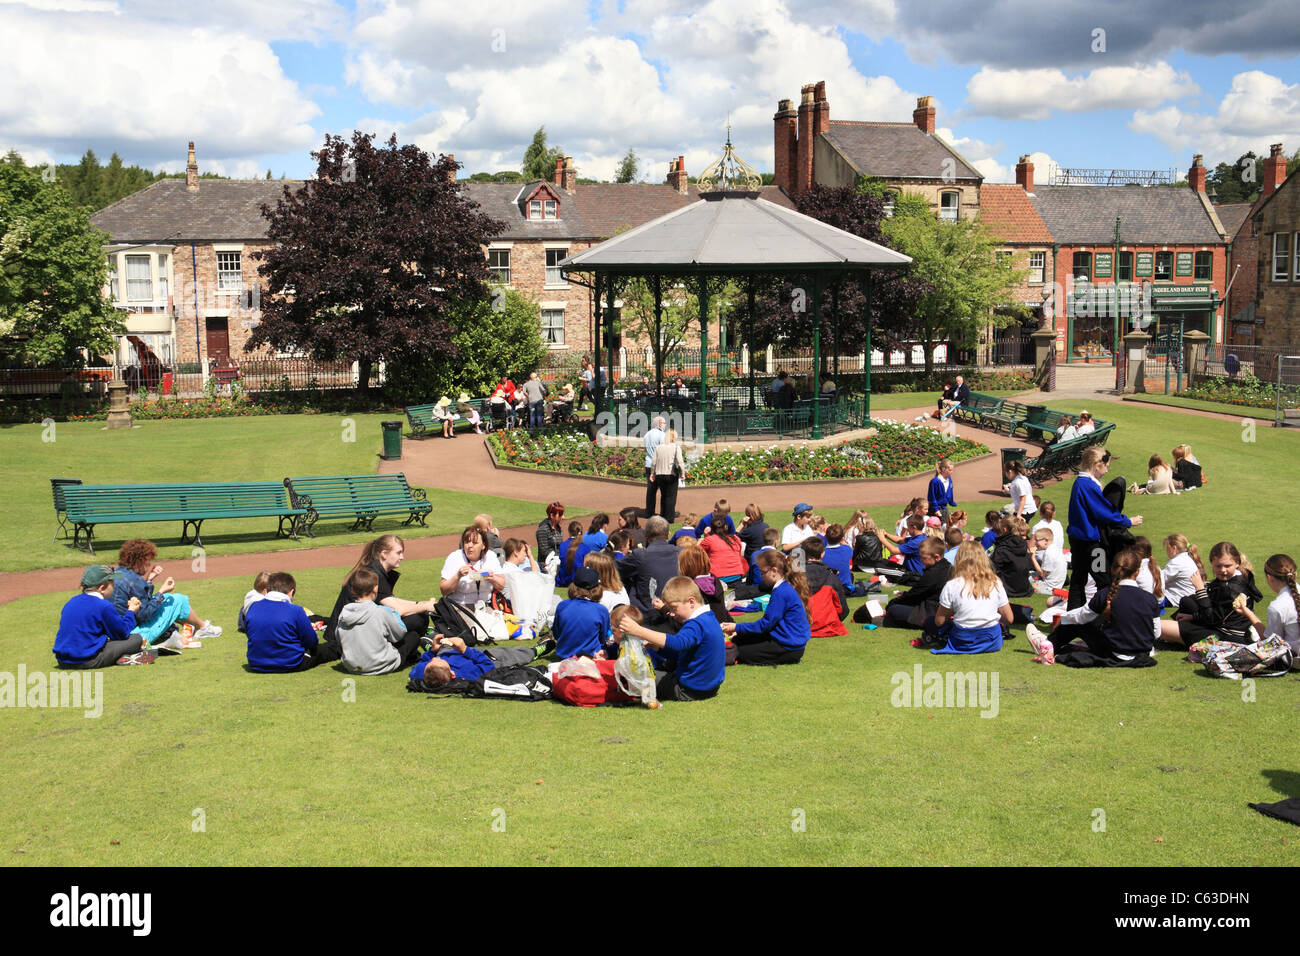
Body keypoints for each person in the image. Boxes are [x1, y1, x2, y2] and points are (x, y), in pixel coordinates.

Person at [1028, 550, 1161, 667]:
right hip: (1142, 653)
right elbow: (1156, 633)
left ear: (1113, 569)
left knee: (1077, 622)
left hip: (1114, 652)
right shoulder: (1150, 599)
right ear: (1137, 571)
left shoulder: (1106, 594)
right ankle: (1051, 645)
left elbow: (1081, 617)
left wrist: (1063, 619)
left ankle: (1046, 644)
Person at [614, 577, 725, 702]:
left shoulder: (696, 624)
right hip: (709, 687)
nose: (671, 614)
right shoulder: (709, 618)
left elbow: (678, 644)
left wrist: (638, 631)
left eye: (673, 608)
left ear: (691, 602)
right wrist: (657, 647)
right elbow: (686, 651)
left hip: (688, 689)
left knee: (636, 678)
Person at [1066, 446, 1142, 610]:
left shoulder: (1080, 483)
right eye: (1106, 466)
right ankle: (1105, 615)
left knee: (1078, 580)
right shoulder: (1087, 485)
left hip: (1078, 540)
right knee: (1105, 580)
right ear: (1097, 464)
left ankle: (1072, 617)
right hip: (1091, 544)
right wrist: (1128, 521)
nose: (1107, 471)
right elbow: (1103, 512)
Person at [112, 538, 221, 650]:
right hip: (133, 635)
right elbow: (144, 615)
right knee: (177, 600)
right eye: (147, 561)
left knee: (168, 599)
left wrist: (149, 580)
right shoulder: (135, 581)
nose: (149, 565)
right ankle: (202, 627)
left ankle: (197, 627)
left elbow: (140, 603)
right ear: (139, 561)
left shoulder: (116, 574)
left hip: (115, 633)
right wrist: (161, 592)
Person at [327, 535, 435, 642]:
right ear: (384, 554)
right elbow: (398, 610)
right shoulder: (374, 574)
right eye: (398, 553)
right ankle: (405, 655)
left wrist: (419, 604)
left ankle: (408, 653)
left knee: (417, 614)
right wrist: (425, 606)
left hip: (351, 629)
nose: (402, 557)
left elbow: (391, 600)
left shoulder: (374, 569)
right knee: (417, 619)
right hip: (348, 635)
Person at [1158, 541, 1262, 647]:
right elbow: (1215, 611)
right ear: (1212, 563)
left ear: (1237, 563)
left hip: (1225, 635)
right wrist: (1192, 617)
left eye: (1227, 566)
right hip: (1220, 626)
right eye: (1218, 566)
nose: (1223, 570)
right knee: (1187, 601)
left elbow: (1211, 618)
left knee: (1157, 626)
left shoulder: (1231, 588)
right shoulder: (1237, 576)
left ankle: (1180, 638)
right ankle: (1178, 637)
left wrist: (1200, 589)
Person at [721, 549, 811, 666]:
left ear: (774, 571)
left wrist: (736, 627)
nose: (761, 576)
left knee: (739, 650)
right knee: (739, 640)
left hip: (788, 646)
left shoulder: (781, 592)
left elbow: (765, 625)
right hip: (788, 642)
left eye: (762, 572)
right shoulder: (783, 587)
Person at [919, 542, 1011, 655]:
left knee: (929, 622)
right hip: (992, 641)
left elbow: (939, 621)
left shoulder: (952, 585)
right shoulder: (995, 581)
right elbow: (1009, 618)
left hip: (963, 640)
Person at [54, 565, 151, 668]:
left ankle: (121, 657)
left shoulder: (71, 601)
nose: (114, 585)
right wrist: (131, 611)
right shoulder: (103, 605)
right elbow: (122, 633)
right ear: (102, 588)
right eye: (112, 583)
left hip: (63, 660)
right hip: (88, 660)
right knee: (136, 639)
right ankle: (124, 657)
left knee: (108, 641)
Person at [246, 572, 342, 672]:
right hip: (290, 663)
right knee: (332, 648)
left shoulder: (253, 607)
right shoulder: (295, 610)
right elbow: (312, 641)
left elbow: (251, 634)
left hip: (256, 663)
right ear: (291, 592)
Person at [336, 566, 425, 675]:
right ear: (375, 588)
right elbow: (398, 634)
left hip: (351, 666)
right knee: (413, 636)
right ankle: (412, 657)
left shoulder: (344, 614)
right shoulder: (381, 612)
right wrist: (395, 616)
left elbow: (339, 638)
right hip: (381, 665)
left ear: (352, 590)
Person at [412, 636, 554, 688]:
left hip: (447, 650)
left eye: (432, 661)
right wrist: (465, 649)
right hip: (479, 657)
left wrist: (434, 651)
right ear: (452, 674)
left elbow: (424, 662)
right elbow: (488, 666)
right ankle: (535, 651)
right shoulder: (468, 674)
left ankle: (431, 643)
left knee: (442, 643)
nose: (435, 659)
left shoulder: (421, 671)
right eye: (439, 661)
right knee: (505, 654)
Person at [621, 516, 685, 618]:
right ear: (668, 534)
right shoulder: (682, 552)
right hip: (678, 613)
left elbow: (613, 569)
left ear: (646, 536)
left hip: (647, 616)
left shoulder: (640, 555)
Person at [1240, 554, 1300, 659]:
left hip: (1294, 659)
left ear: (1269, 577)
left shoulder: (1277, 606)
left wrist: (1249, 614)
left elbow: (1271, 645)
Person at [884, 537, 951, 628]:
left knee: (893, 610)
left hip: (931, 612)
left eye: (924, 558)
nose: (921, 561)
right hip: (941, 610)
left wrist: (892, 603)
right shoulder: (948, 567)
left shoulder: (933, 573)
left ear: (936, 557)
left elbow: (914, 595)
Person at [553, 566, 613, 659]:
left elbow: (557, 633)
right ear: (597, 588)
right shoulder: (601, 610)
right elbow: (603, 637)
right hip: (591, 656)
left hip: (564, 655)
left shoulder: (562, 605)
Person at [440, 527, 505, 606]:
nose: (470, 546)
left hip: (485, 604)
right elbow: (444, 590)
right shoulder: (455, 557)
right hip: (460, 605)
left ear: (483, 545)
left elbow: (501, 585)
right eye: (467, 542)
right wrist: (458, 576)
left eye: (474, 543)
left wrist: (492, 577)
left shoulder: (490, 556)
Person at [675, 542, 733, 625]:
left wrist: (664, 608)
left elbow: (684, 615)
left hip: (703, 628)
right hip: (722, 624)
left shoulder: (691, 587)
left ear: (686, 565)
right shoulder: (715, 580)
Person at [801, 536, 850, 636]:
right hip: (826, 626)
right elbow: (842, 609)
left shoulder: (794, 578)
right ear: (823, 554)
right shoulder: (831, 578)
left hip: (800, 626)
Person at [649, 427, 687, 521]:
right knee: (671, 496)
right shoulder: (676, 447)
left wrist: (652, 473)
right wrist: (682, 474)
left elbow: (654, 462)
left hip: (660, 474)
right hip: (671, 473)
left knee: (663, 495)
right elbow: (680, 462)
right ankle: (669, 517)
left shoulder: (659, 447)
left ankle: (663, 514)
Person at [990, 515, 1033, 598]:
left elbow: (990, 568)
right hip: (1024, 588)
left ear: (1004, 529)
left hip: (1008, 590)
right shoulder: (1023, 544)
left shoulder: (1003, 549)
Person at [1160, 533, 1205, 610]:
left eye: (1167, 548)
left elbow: (1159, 580)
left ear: (1174, 548)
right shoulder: (1187, 557)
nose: (1166, 551)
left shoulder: (1177, 562)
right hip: (1187, 596)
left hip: (1177, 598)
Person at [699, 514, 746, 584]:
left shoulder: (709, 540)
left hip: (718, 578)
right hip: (737, 576)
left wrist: (704, 536)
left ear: (711, 528)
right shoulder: (736, 538)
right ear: (725, 527)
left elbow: (696, 552)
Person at [1029, 528, 1066, 595]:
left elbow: (1042, 574)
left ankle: (1037, 588)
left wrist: (1033, 558)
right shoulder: (1055, 549)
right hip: (1058, 583)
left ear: (1046, 540)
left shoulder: (1049, 553)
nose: (1035, 542)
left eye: (1037, 540)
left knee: (1027, 577)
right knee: (1031, 573)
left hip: (1049, 587)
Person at [556, 519, 586, 588]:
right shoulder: (585, 548)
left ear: (569, 532)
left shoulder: (562, 545)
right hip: (579, 581)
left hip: (563, 580)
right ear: (580, 532)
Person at [536, 501, 566, 567]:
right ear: (552, 515)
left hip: (557, 563)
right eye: (560, 515)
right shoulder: (543, 530)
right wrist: (559, 556)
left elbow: (560, 546)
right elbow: (544, 552)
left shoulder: (558, 528)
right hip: (546, 566)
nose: (563, 517)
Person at [928, 459, 956, 523]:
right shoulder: (935, 481)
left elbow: (950, 492)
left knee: (945, 527)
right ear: (943, 469)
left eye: (952, 470)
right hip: (936, 510)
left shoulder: (949, 479)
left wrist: (951, 502)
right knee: (936, 529)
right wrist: (936, 510)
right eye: (950, 470)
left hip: (944, 508)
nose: (952, 472)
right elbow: (932, 497)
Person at [643, 416, 666, 483]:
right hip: (658, 466)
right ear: (659, 424)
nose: (665, 425)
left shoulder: (647, 434)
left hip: (648, 464)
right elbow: (663, 450)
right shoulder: (662, 434)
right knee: (663, 489)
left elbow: (645, 448)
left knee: (650, 489)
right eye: (664, 423)